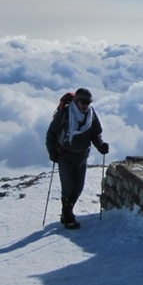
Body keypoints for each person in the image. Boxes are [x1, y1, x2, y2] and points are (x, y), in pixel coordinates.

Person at [45, 87, 109, 229]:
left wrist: (101, 145)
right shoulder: (66, 113)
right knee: (68, 187)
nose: (86, 105)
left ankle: (66, 213)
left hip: (81, 156)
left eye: (88, 103)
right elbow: (51, 133)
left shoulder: (91, 115)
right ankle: (68, 216)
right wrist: (52, 151)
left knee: (78, 188)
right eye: (83, 102)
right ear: (77, 101)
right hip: (65, 156)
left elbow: (95, 134)